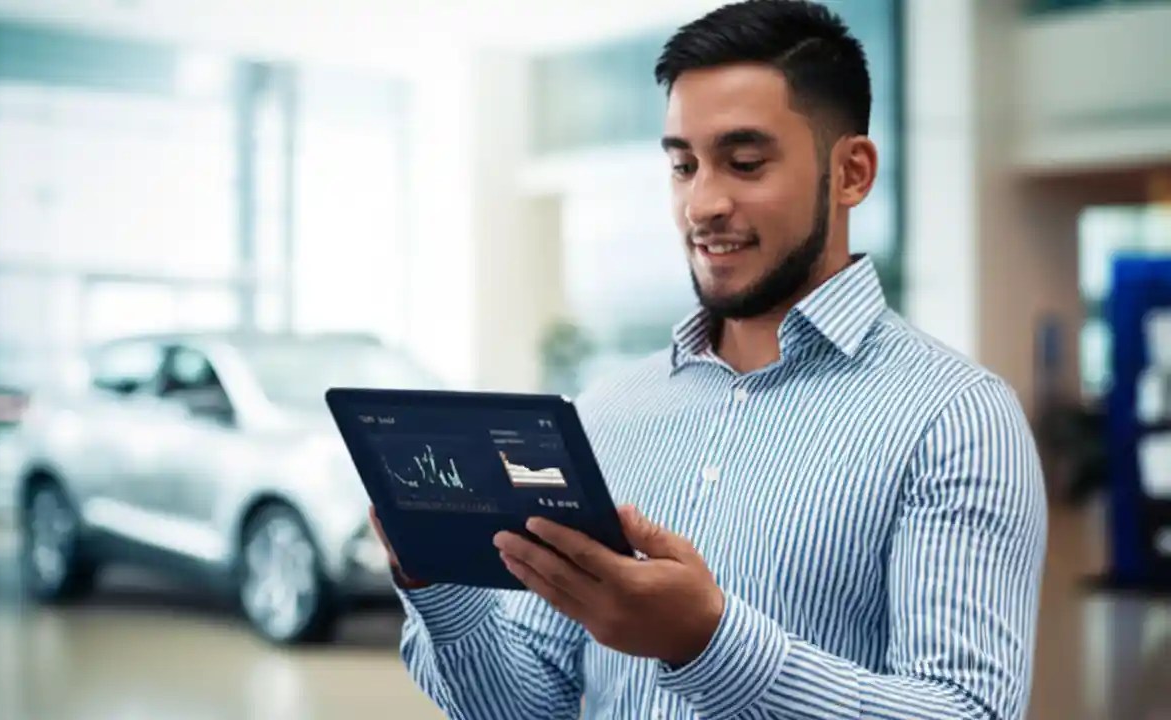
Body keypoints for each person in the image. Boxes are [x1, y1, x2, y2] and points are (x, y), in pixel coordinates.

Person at [371, 1, 1047, 718]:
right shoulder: (606, 414)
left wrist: (708, 641)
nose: (702, 203)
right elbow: (527, 706)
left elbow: (967, 711)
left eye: (745, 163)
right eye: (683, 166)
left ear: (851, 172)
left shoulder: (955, 418)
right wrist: (435, 581)